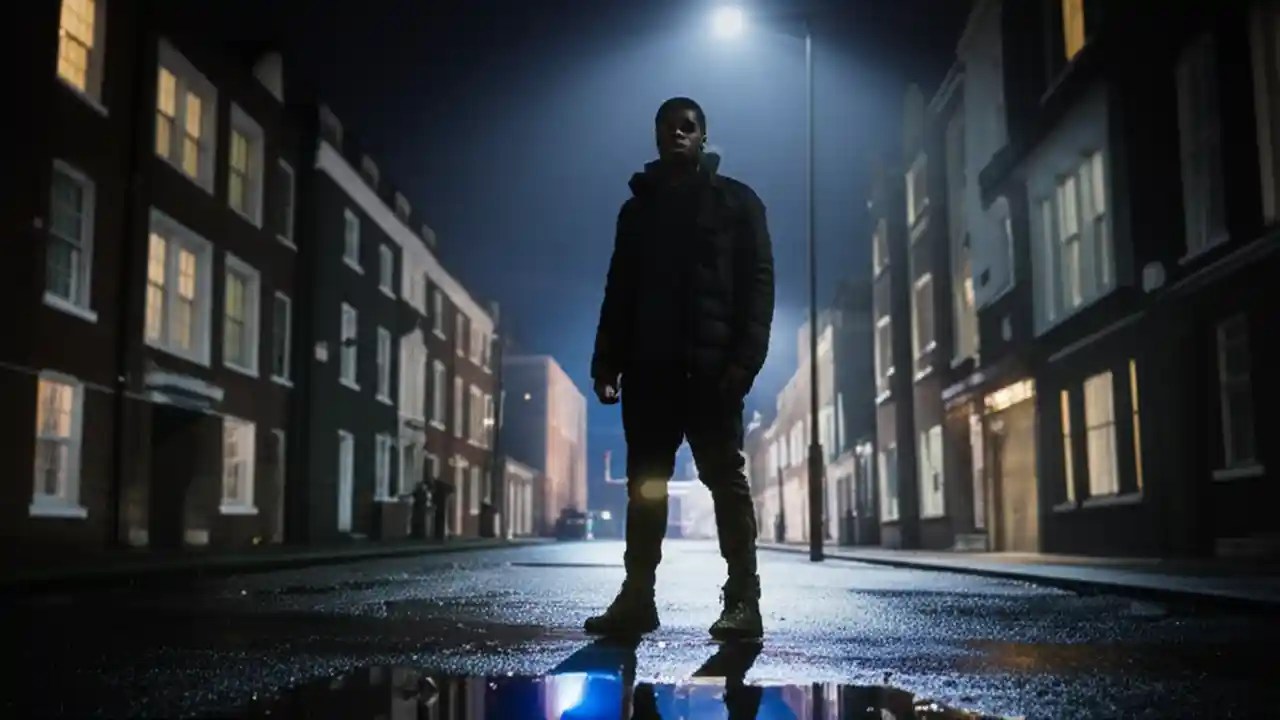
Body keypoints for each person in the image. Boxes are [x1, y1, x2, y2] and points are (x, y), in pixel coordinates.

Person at [586, 96, 774, 640]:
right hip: (649, 374)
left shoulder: (738, 203)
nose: (677, 134)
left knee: (723, 481)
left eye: (687, 127)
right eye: (668, 127)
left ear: (703, 136)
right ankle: (637, 598)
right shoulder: (637, 212)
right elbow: (619, 290)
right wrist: (606, 361)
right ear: (656, 135)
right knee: (646, 486)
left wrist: (745, 362)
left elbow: (759, 285)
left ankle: (744, 598)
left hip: (712, 375)